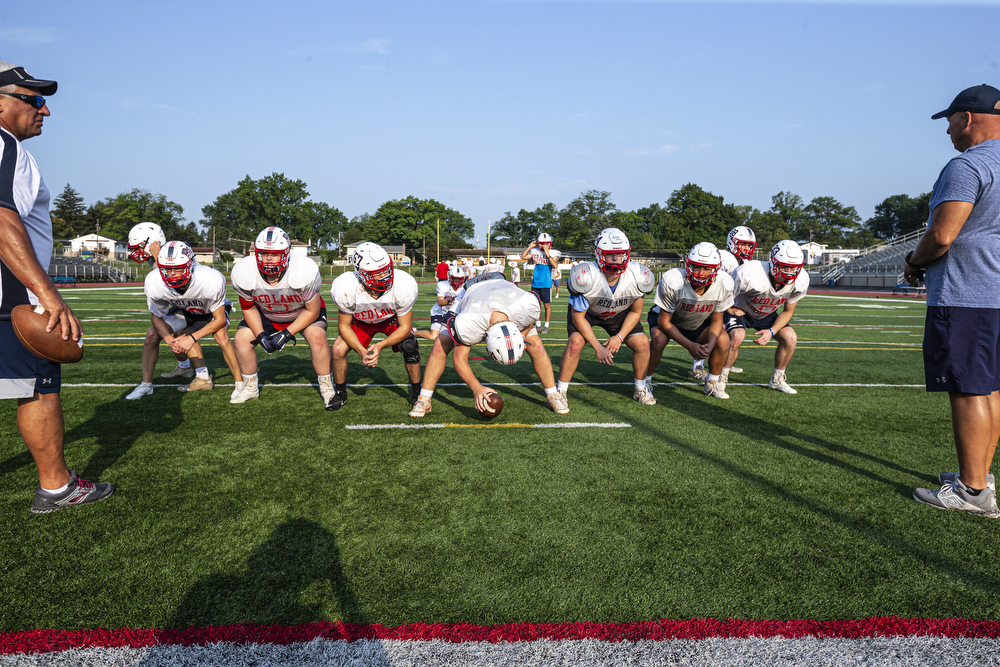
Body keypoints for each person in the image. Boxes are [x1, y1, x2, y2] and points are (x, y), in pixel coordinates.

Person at [0, 60, 113, 512]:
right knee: (38, 387)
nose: (44, 110)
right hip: (11, 300)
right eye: (34, 100)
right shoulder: (5, 146)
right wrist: (47, 294)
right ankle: (56, 487)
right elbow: (2, 219)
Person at [910, 84, 1000, 518]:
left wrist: (913, 262)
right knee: (991, 387)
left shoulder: (968, 164)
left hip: (969, 293)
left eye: (949, 121)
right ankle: (979, 475)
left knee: (967, 389)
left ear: (967, 118)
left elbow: (943, 235)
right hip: (995, 294)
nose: (947, 130)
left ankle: (973, 491)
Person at [408, 271, 569, 418]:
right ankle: (424, 399)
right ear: (485, 338)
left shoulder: (525, 307)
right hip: (470, 293)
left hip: (505, 292)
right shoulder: (469, 323)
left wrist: (522, 336)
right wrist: (476, 388)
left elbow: (533, 313)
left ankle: (553, 395)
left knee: (536, 345)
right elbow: (459, 359)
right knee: (440, 345)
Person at [230, 227, 334, 406]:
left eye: (275, 254)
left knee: (317, 336)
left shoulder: (303, 270)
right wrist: (261, 335)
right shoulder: (244, 272)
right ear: (257, 254)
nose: (269, 258)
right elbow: (249, 308)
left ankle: (327, 387)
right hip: (267, 313)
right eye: (264, 253)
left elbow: (312, 311)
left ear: (286, 254)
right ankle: (250, 387)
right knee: (241, 339)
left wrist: (286, 334)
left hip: (301, 312)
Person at [126, 241, 242, 399]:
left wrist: (192, 338)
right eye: (167, 269)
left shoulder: (210, 279)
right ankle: (146, 385)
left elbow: (220, 319)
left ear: (189, 265)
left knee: (220, 335)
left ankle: (240, 383)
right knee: (152, 335)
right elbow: (157, 317)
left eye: (178, 268)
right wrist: (169, 340)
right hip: (185, 310)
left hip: (210, 311)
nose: (172, 273)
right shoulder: (155, 281)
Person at [555, 228, 656, 406]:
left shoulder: (637, 275)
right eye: (610, 254)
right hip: (588, 314)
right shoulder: (586, 275)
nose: (616, 258)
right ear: (599, 253)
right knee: (576, 343)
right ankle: (560, 392)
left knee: (642, 343)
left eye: (620, 254)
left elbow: (635, 312)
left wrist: (619, 337)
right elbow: (578, 317)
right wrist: (598, 347)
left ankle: (640, 389)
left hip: (618, 312)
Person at [328, 242, 422, 410]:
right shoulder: (347, 287)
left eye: (386, 270)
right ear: (361, 274)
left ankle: (417, 393)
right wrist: (362, 351)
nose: (385, 276)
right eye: (377, 273)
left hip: (390, 320)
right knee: (337, 349)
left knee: (410, 346)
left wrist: (380, 345)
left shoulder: (403, 284)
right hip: (361, 322)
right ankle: (340, 392)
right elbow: (344, 326)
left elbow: (405, 327)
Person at [647, 243, 734, 399]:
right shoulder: (674, 281)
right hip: (668, 320)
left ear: (716, 269)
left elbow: (717, 321)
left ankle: (711, 383)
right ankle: (645, 381)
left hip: (696, 322)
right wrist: (690, 345)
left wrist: (709, 346)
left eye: (706, 268)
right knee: (659, 340)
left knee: (723, 339)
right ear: (688, 264)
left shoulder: (724, 283)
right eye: (697, 267)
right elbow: (664, 323)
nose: (701, 273)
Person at [724, 239, 808, 394]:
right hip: (739, 309)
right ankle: (720, 378)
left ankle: (777, 380)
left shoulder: (801, 280)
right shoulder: (750, 272)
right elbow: (723, 294)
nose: (789, 272)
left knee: (790, 337)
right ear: (774, 263)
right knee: (737, 336)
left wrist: (771, 331)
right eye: (785, 267)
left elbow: (788, 311)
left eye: (793, 268)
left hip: (765, 314)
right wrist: (729, 309)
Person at [126, 222, 194, 381]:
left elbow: (173, 283)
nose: (136, 251)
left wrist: (157, 256)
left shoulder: (176, 253)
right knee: (154, 334)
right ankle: (184, 368)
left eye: (139, 247)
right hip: (181, 305)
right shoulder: (155, 257)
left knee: (183, 334)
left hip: (197, 306)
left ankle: (202, 375)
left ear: (152, 242)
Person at [689, 226, 756, 380]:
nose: (747, 248)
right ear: (732, 242)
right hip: (709, 301)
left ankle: (724, 363)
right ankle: (697, 367)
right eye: (743, 244)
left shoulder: (743, 261)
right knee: (711, 332)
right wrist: (729, 307)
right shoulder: (725, 258)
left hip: (721, 302)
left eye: (749, 245)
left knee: (729, 333)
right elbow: (713, 283)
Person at [414, 264, 465, 342]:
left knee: (460, 336)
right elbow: (440, 302)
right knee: (433, 336)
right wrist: (449, 300)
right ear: (450, 278)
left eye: (459, 279)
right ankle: (413, 332)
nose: (457, 281)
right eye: (455, 279)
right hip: (439, 313)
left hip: (454, 315)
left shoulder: (464, 288)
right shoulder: (443, 285)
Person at [520, 232, 558, 333]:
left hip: (546, 283)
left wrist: (547, 254)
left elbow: (555, 265)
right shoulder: (535, 251)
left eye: (546, 243)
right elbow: (522, 257)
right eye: (543, 243)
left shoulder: (553, 253)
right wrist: (530, 247)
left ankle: (546, 326)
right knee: (536, 306)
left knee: (547, 305)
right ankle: (538, 324)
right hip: (535, 283)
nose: (545, 245)